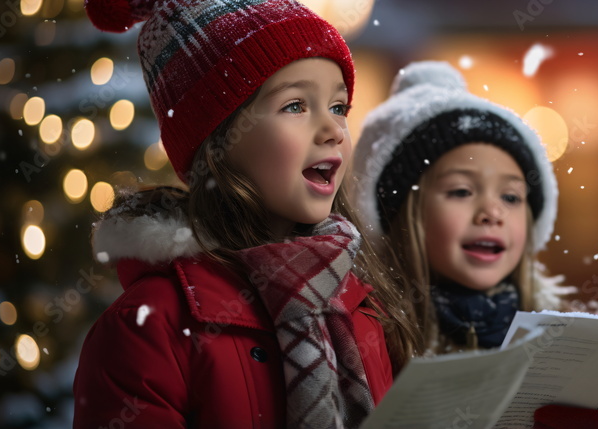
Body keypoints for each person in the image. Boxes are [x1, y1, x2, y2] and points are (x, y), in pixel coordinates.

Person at [73, 1, 415, 427]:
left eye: (339, 107)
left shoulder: (361, 305)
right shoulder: (148, 328)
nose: (333, 131)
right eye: (295, 106)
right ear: (218, 141)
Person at [350, 61, 598, 428]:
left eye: (512, 197)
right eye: (461, 191)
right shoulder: (367, 343)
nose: (491, 212)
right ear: (399, 216)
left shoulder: (571, 341)